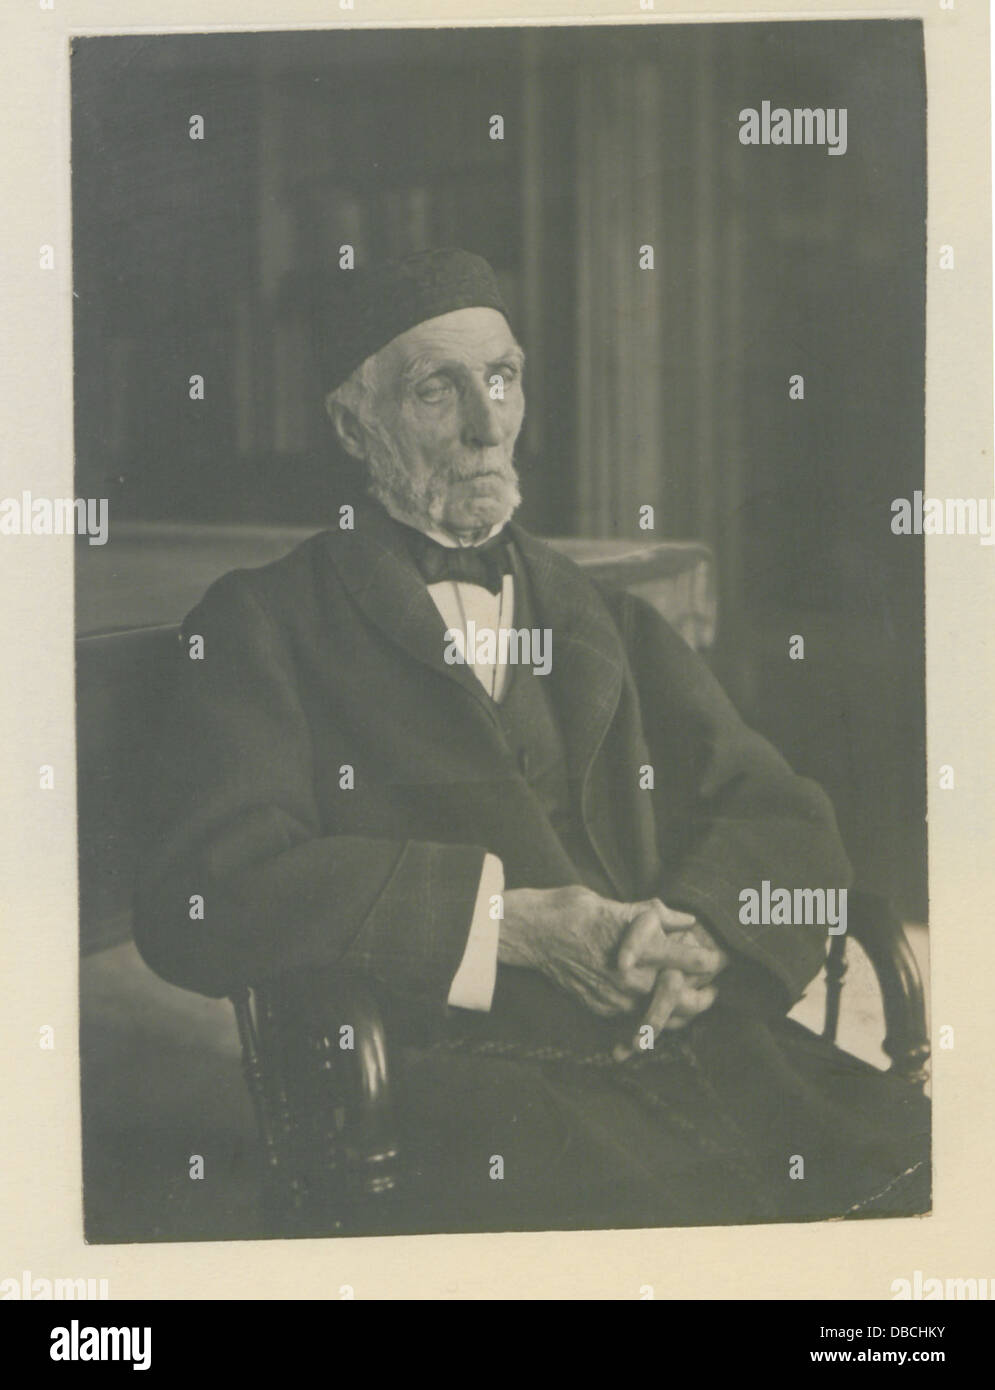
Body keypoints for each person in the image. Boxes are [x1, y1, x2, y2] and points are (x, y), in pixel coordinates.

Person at [133, 248, 929, 1232]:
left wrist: (700, 934)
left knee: (911, 1192)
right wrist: (509, 923)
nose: (485, 423)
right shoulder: (265, 623)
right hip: (466, 1088)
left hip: (700, 1044)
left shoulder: (604, 615)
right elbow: (203, 894)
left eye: (501, 378)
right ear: (354, 425)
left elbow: (780, 812)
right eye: (437, 389)